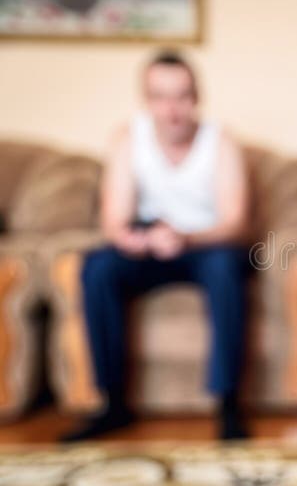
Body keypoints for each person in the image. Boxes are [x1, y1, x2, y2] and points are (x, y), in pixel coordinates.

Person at [62, 51, 250, 441]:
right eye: (161, 96)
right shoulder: (128, 138)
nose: (172, 108)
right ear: (146, 100)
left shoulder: (222, 141)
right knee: (96, 267)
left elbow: (235, 222)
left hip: (205, 244)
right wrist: (135, 239)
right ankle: (113, 404)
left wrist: (185, 237)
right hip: (150, 245)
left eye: (182, 96)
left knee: (226, 267)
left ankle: (228, 404)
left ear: (197, 97)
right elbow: (114, 219)